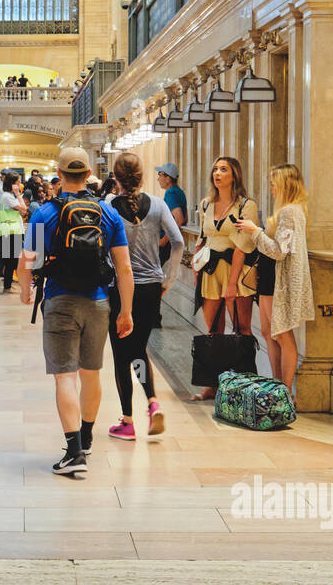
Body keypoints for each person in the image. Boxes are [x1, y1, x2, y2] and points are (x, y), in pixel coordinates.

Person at [18, 147, 134, 475]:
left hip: (60, 300)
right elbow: (124, 268)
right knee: (91, 373)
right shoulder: (108, 213)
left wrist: (26, 290)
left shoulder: (44, 213)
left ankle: (72, 453)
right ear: (88, 174)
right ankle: (86, 438)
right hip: (98, 302)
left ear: (60, 173)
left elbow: (28, 260)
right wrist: (126, 311)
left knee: (64, 375)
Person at [104, 153, 183, 441]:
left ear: (115, 177)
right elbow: (178, 240)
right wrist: (170, 278)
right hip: (152, 287)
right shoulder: (159, 204)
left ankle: (127, 420)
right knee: (139, 348)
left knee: (121, 354)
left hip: (119, 287)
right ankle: (152, 404)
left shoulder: (108, 206)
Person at [236, 164, 315, 393]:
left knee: (281, 333)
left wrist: (255, 231)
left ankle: (286, 391)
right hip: (269, 277)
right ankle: (277, 385)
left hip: (277, 279)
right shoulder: (287, 211)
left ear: (284, 185)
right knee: (269, 332)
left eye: (273, 183)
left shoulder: (290, 211)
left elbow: (280, 250)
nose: (270, 187)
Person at [190, 156, 260, 401]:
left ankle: (245, 384)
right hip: (210, 271)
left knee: (241, 329)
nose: (217, 173)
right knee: (213, 330)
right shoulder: (206, 204)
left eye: (223, 169)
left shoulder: (246, 206)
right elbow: (202, 237)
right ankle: (213, 384)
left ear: (234, 175)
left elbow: (242, 246)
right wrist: (196, 262)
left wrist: (232, 284)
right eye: (215, 169)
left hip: (236, 272)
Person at [0, 170, 27, 293]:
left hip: (10, 231)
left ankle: (8, 285)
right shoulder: (8, 197)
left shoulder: (7, 196)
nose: (19, 185)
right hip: (12, 231)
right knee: (12, 260)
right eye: (18, 182)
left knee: (12, 260)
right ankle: (8, 286)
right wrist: (18, 195)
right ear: (12, 183)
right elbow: (23, 209)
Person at [154, 163, 188, 265]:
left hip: (165, 242)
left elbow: (180, 219)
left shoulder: (170, 193)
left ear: (168, 178)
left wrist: (164, 240)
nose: (158, 179)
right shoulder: (179, 192)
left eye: (160, 175)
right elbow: (185, 218)